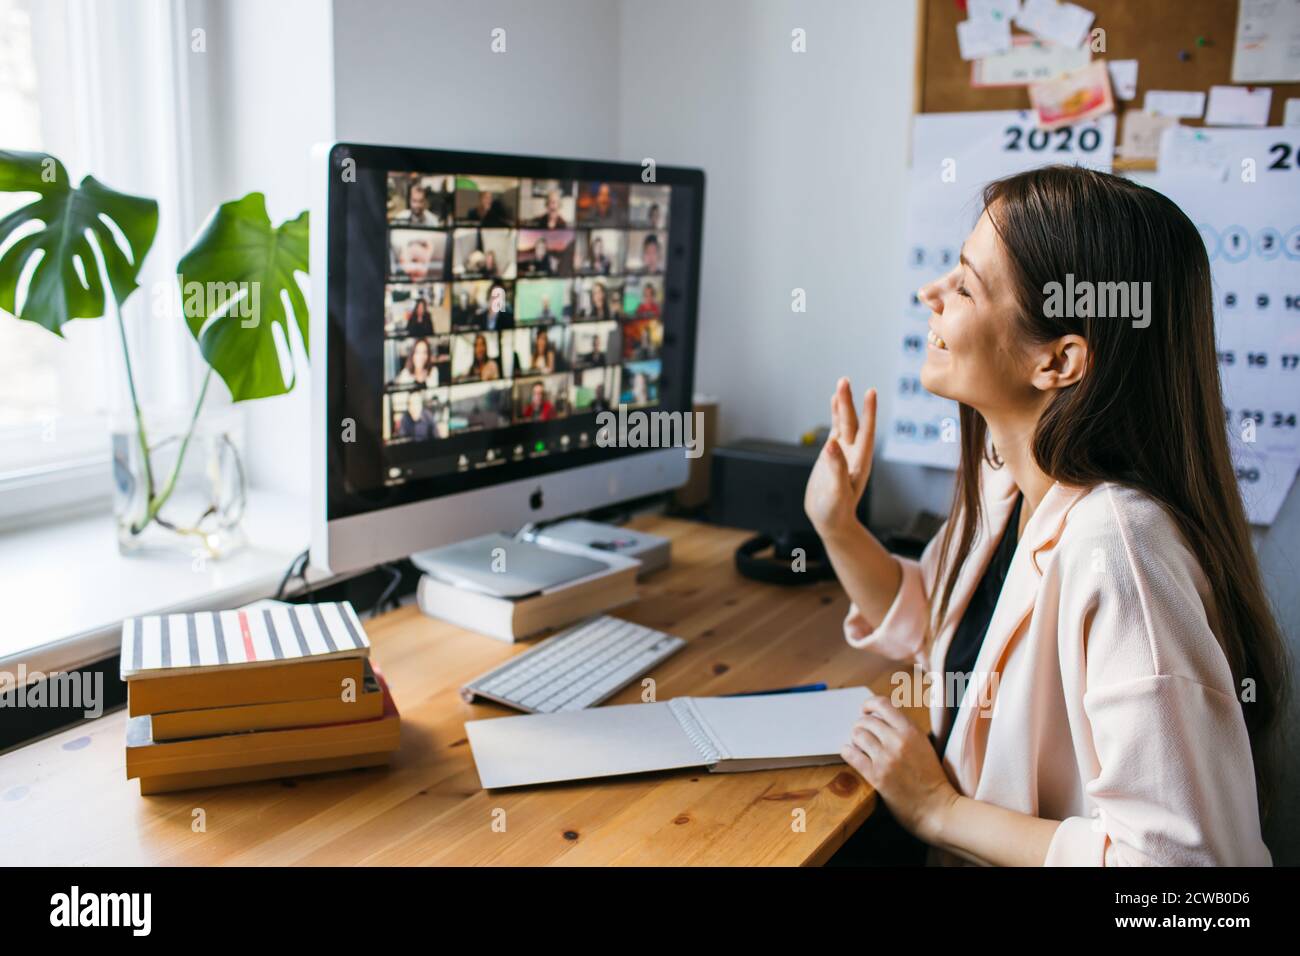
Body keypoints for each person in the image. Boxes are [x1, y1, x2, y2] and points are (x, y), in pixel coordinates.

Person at [805, 166, 1284, 867]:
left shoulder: (1121, 553)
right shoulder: (1011, 484)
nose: (930, 294)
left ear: (1058, 361)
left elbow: (1184, 878)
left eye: (966, 285)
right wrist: (837, 525)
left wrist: (940, 810)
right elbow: (937, 624)